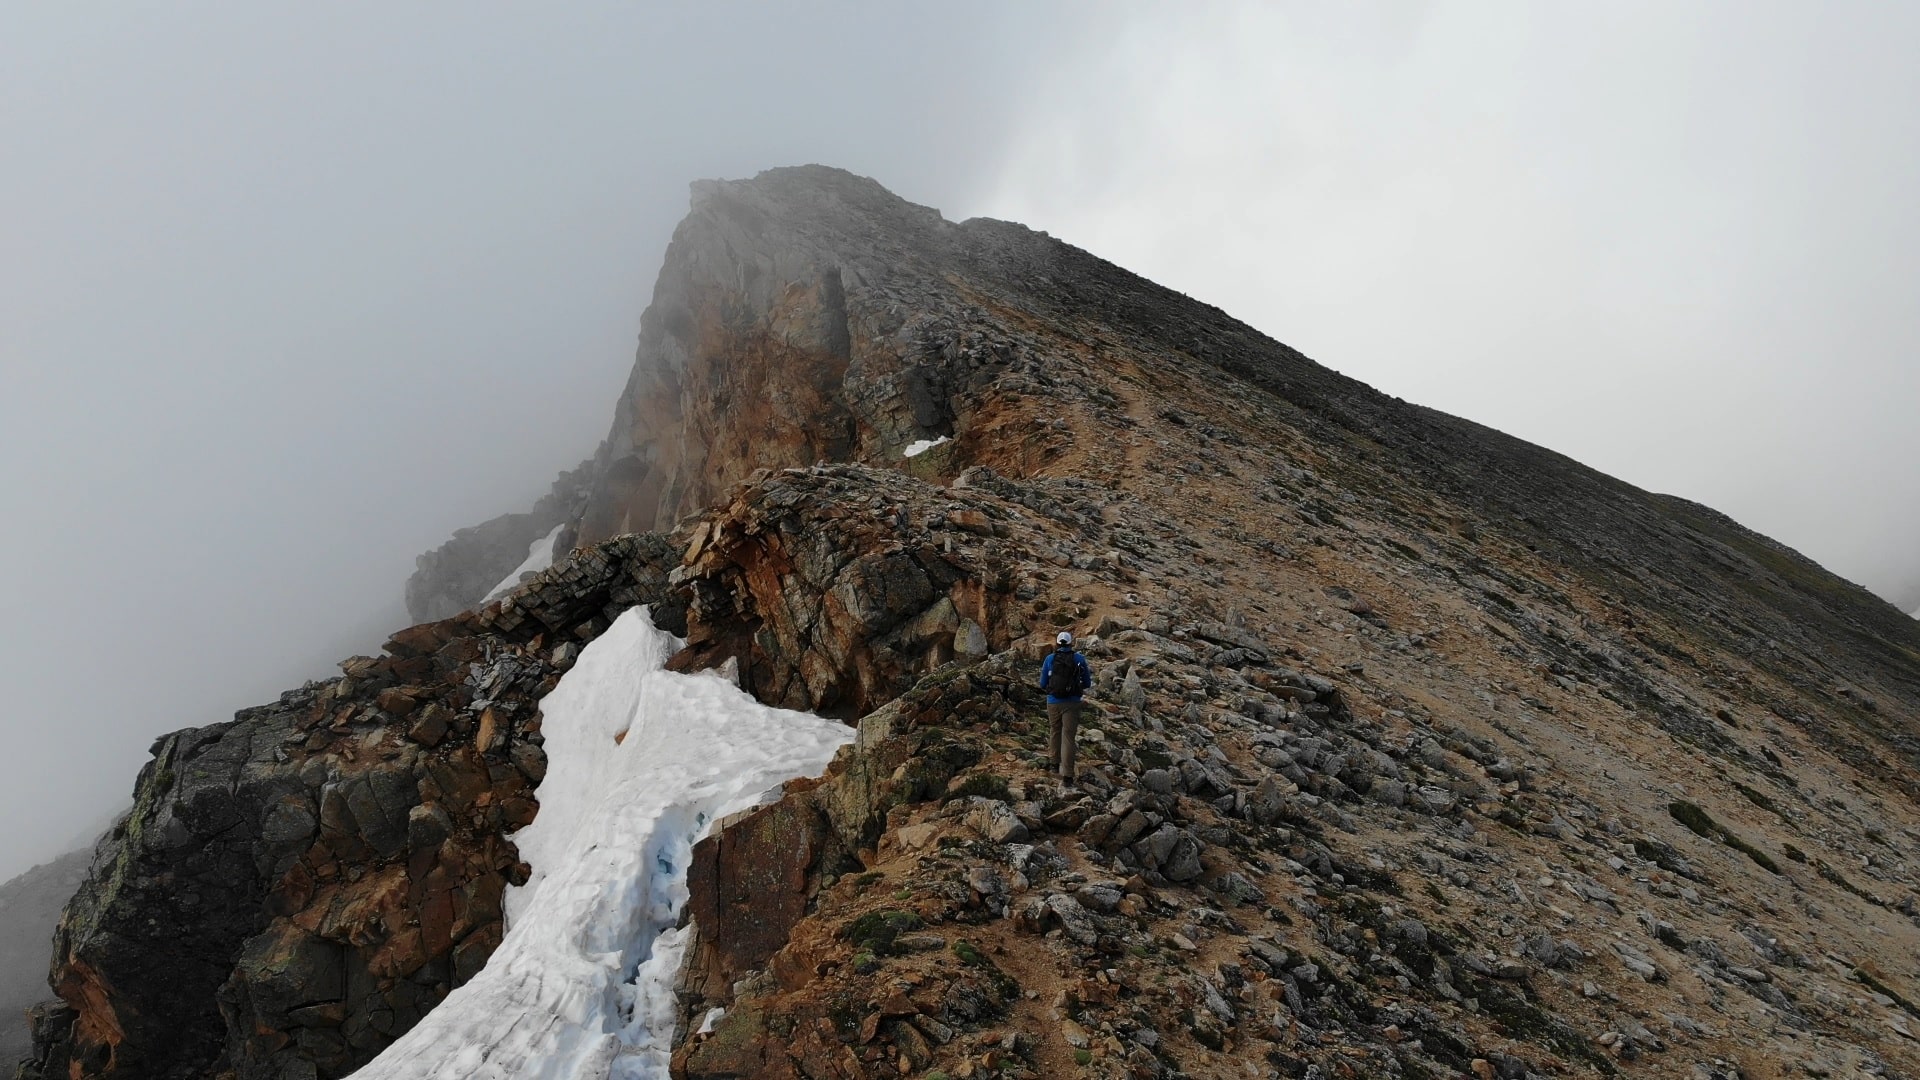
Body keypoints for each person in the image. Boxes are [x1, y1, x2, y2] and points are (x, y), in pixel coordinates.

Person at [1040, 631, 1093, 784]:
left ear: (1057, 643)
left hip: (1053, 702)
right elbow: (1088, 683)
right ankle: (1068, 776)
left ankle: (1054, 764)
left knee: (1055, 730)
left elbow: (1043, 683)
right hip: (1072, 702)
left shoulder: (1049, 659)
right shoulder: (1079, 659)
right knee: (1068, 737)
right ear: (1071, 643)